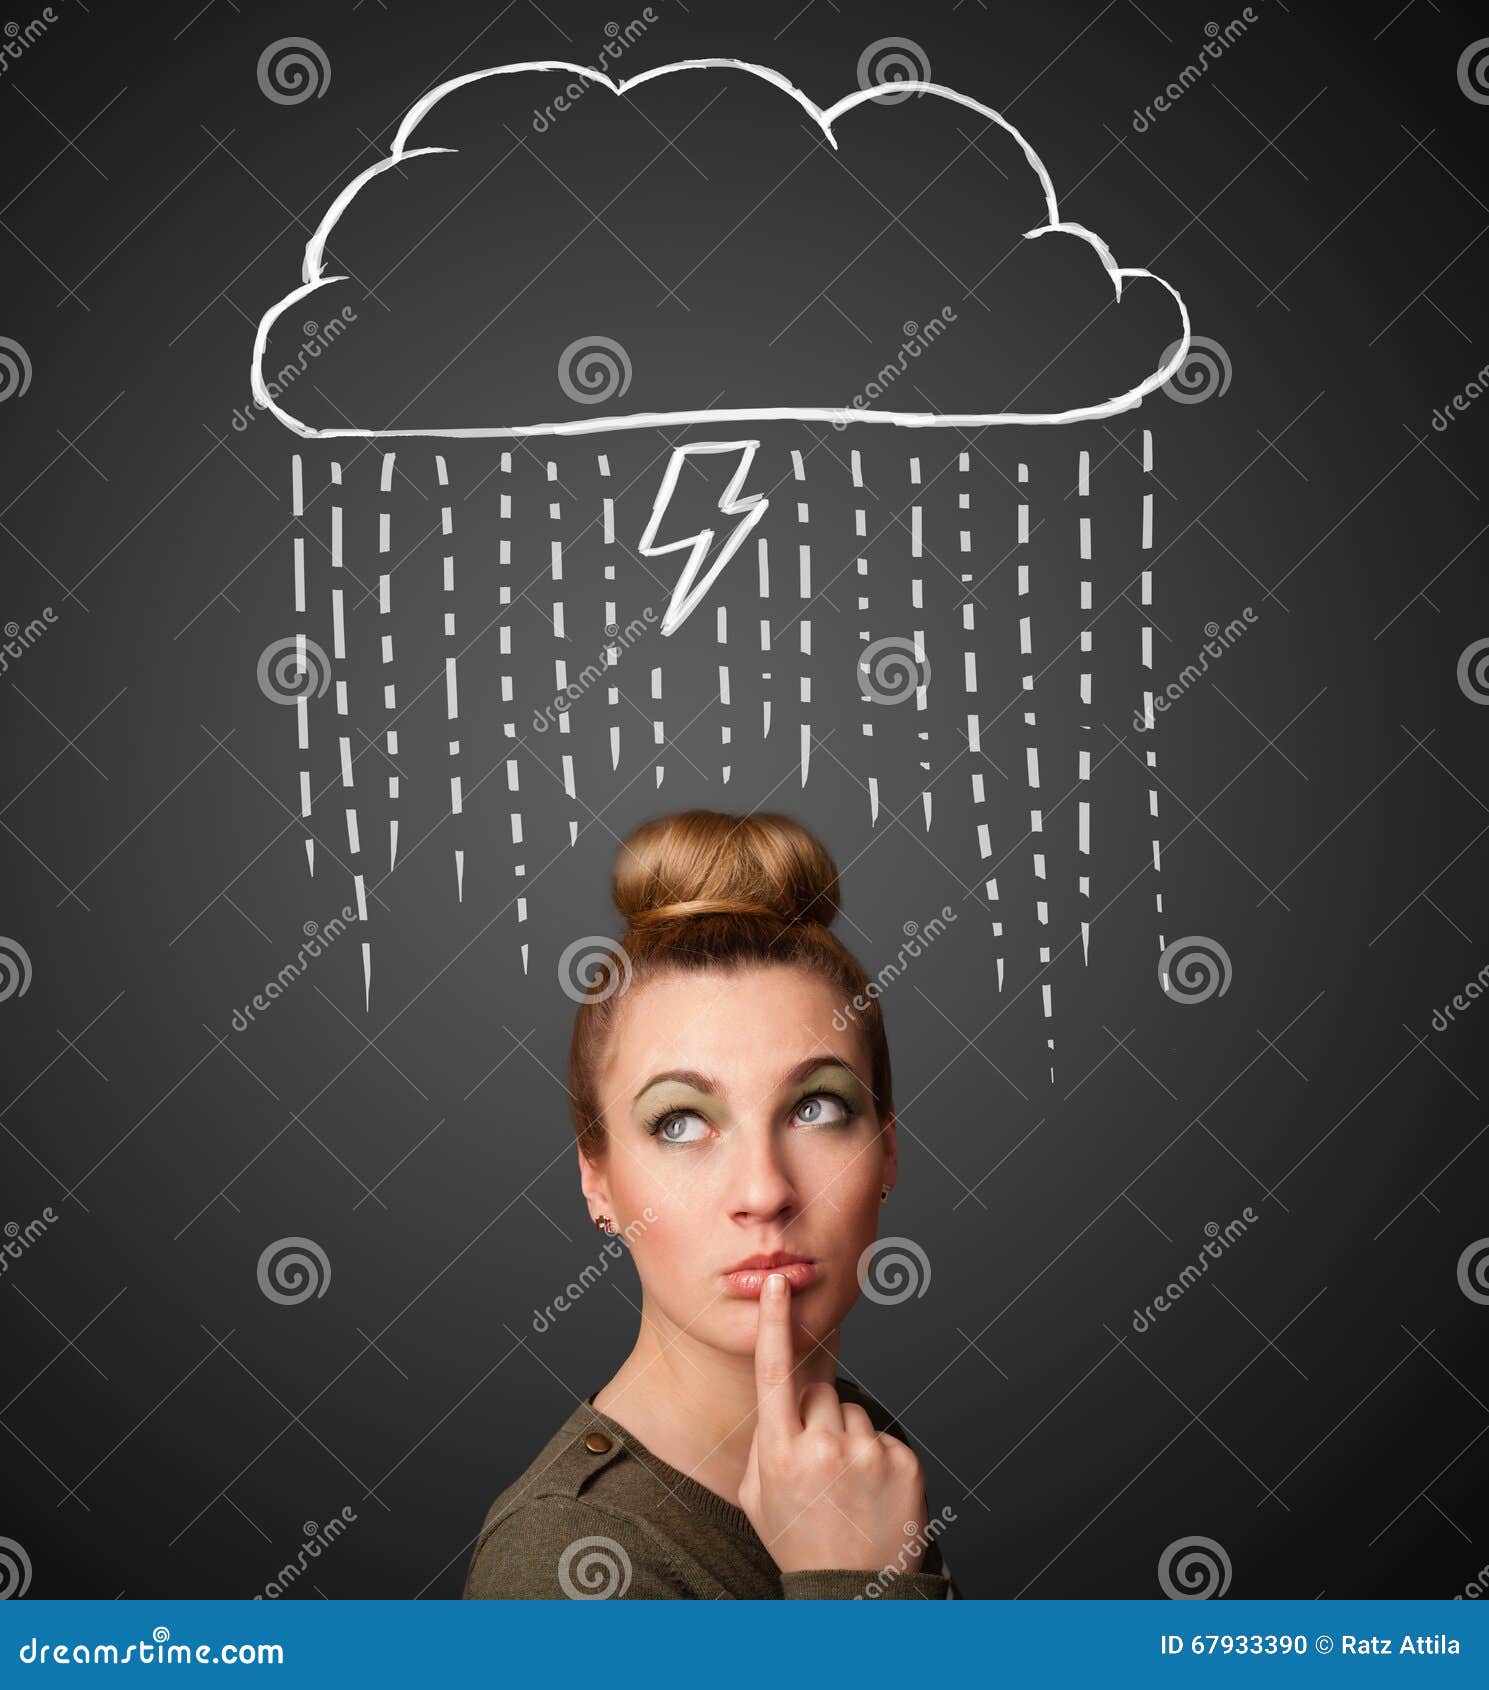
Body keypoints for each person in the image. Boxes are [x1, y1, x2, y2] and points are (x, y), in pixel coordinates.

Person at [464, 808, 959, 1598]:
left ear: (887, 1150)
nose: (764, 1191)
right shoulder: (567, 1565)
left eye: (817, 1108)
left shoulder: (854, 1458)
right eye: (680, 1122)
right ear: (597, 1179)